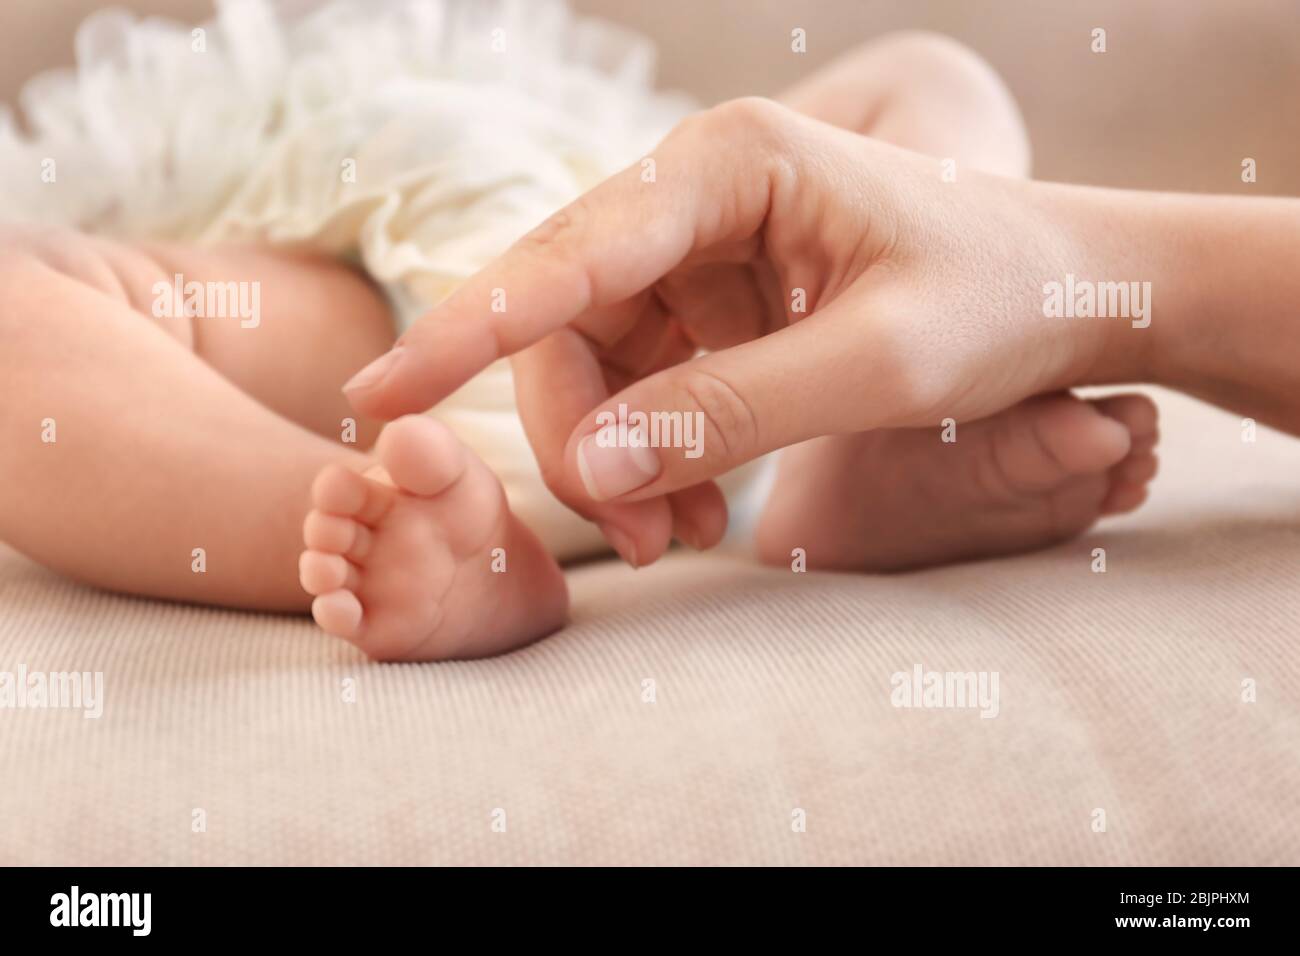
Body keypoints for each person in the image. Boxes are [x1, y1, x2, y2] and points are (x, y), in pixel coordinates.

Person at [0, 3, 1173, 661]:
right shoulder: (211, 140)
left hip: (713, 312)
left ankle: (850, 449)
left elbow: (747, 184)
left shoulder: (635, 144)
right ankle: (386, 522)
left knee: (934, 74)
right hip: (368, 377)